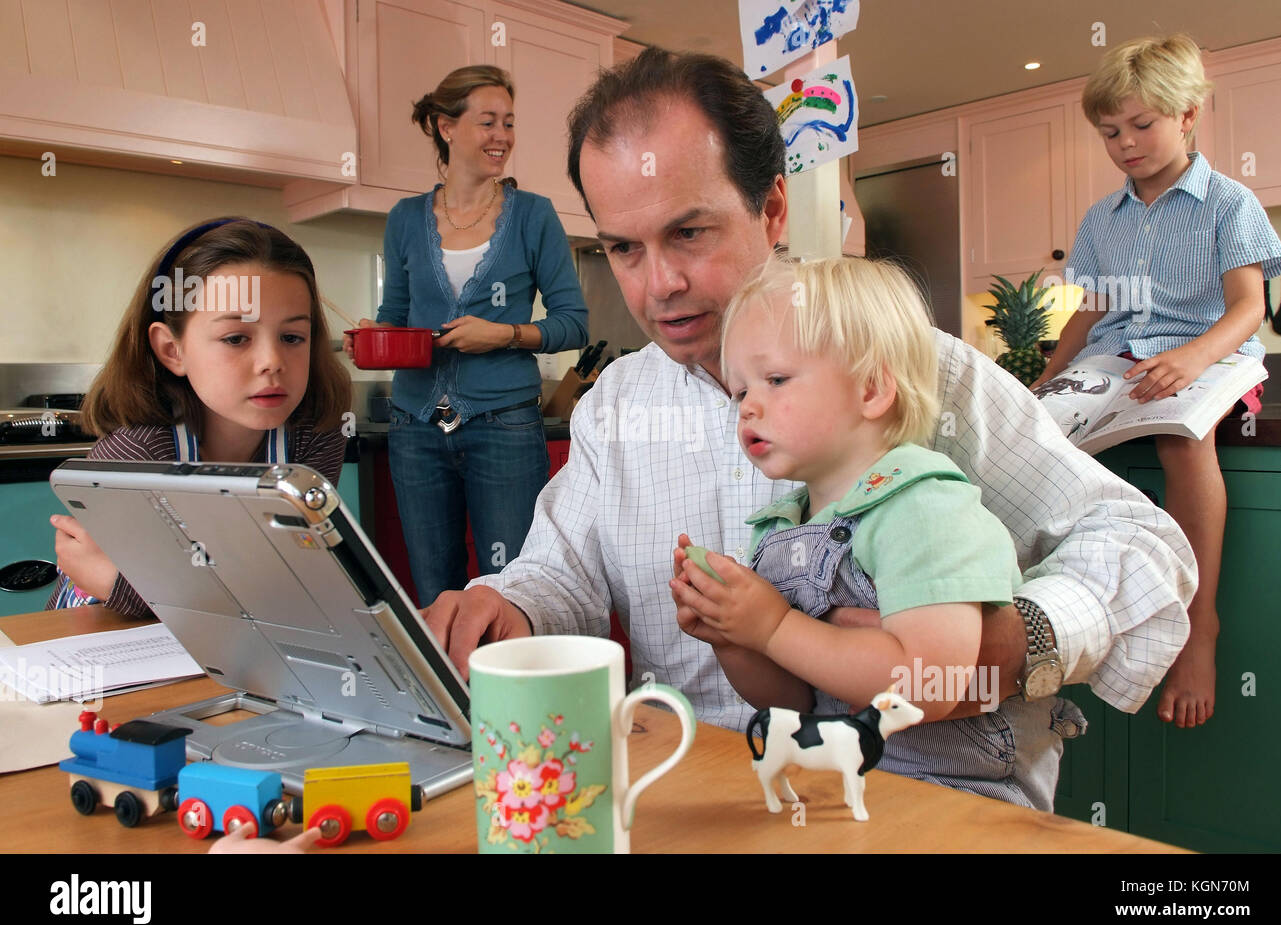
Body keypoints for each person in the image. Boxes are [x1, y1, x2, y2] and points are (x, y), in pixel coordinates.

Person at [423, 47, 1196, 811]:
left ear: (773, 209)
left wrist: (1023, 639)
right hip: (694, 804)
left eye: (690, 233)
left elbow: (1138, 540)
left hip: (927, 804)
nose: (659, 285)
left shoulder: (915, 369)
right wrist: (507, 610)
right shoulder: (616, 404)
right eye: (625, 248)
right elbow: (560, 574)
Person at [668, 255, 1055, 804]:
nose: (749, 406)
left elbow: (927, 686)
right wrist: (735, 636)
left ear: (872, 390)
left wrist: (775, 627)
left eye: (775, 379)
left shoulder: (924, 506)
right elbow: (792, 701)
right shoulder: (780, 530)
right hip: (844, 785)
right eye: (739, 392)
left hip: (956, 793)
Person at [1033, 35, 1281, 729]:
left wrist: (1196, 358)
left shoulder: (1228, 202)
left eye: (1141, 125)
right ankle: (1061, 613)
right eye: (1110, 132)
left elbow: (1249, 308)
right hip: (1116, 359)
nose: (1125, 144)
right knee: (1039, 446)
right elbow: (1089, 315)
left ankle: (1195, 625)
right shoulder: (1100, 219)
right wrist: (1042, 385)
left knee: (1182, 443)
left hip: (1209, 356)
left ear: (1188, 115)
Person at [344, 65, 588, 607]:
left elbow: (573, 322)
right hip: (416, 427)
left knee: (513, 587)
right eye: (487, 123)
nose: (502, 136)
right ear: (446, 127)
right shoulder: (406, 218)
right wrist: (377, 335)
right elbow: (397, 315)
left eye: (508, 123)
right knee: (435, 590)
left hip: (504, 425)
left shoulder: (533, 216)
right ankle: (452, 693)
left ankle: (510, 690)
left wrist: (503, 334)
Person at [47, 217, 352, 617]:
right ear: (172, 350)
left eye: (292, 337)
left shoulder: (317, 433)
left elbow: (295, 579)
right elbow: (176, 603)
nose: (272, 362)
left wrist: (122, 583)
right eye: (236, 338)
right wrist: (126, 589)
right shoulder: (134, 452)